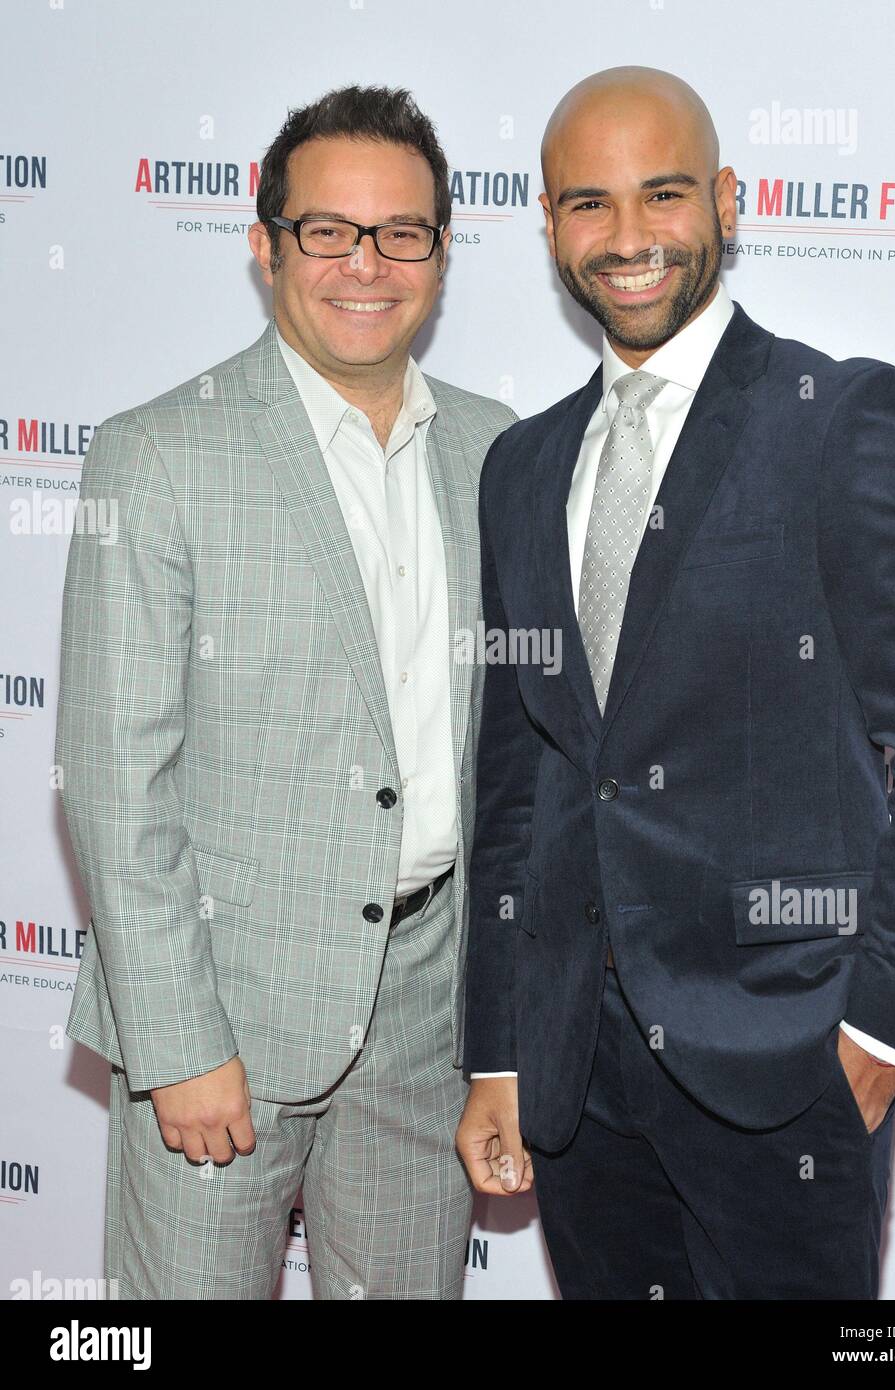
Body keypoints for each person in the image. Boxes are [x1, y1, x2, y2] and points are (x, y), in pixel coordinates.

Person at [456, 66, 895, 1299]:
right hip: (577, 1079)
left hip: (785, 1068)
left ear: (727, 200)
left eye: (662, 194)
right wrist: (496, 1047)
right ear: (548, 224)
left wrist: (876, 1037)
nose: (628, 237)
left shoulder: (837, 417)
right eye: (588, 204)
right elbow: (518, 781)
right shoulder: (521, 464)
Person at [56, 84, 515, 1300]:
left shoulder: (496, 449)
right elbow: (114, 779)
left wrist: (503, 1038)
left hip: (428, 1020)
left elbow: (520, 767)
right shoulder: (158, 454)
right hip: (224, 1021)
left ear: (440, 253)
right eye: (327, 230)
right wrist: (177, 1043)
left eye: (401, 232)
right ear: (265, 248)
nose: (365, 265)